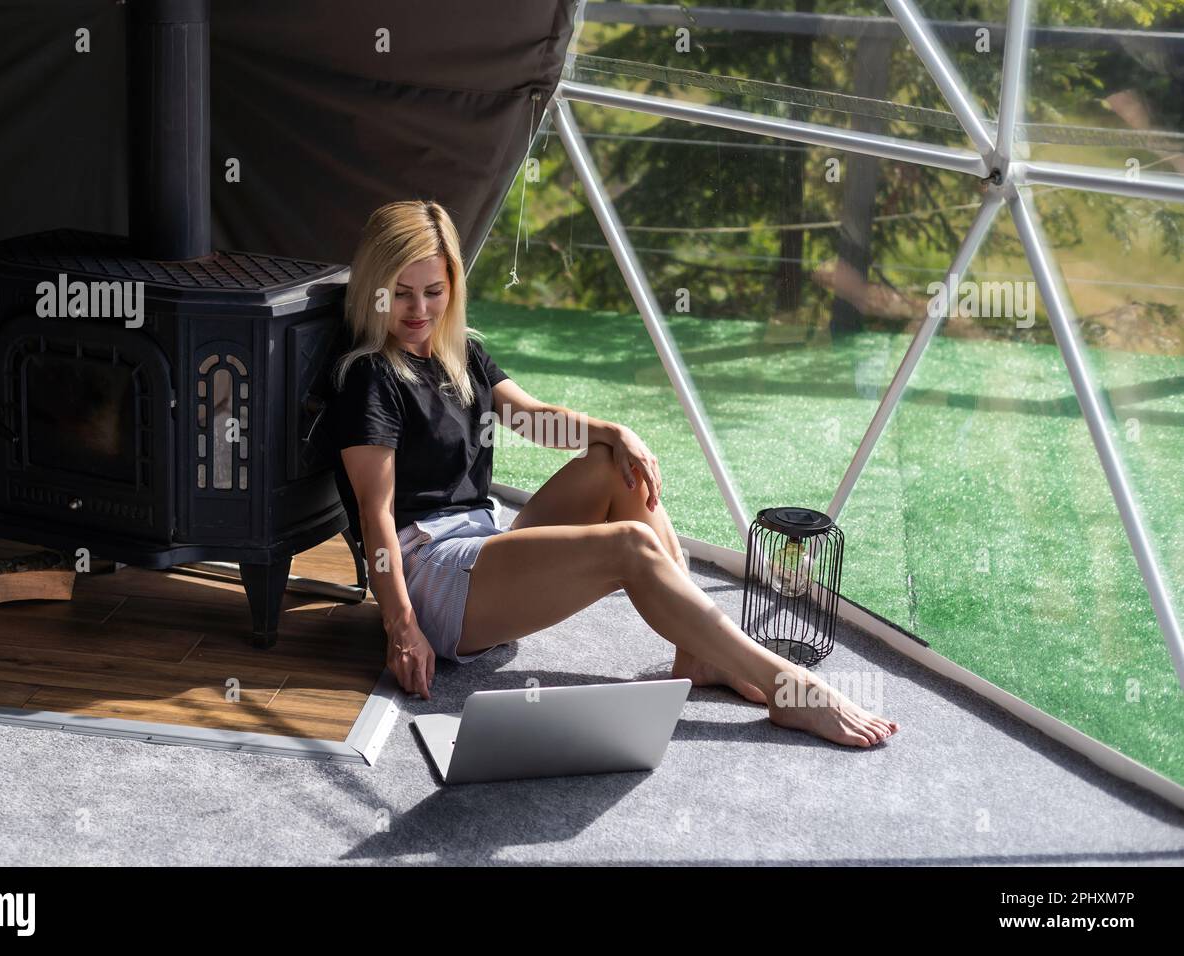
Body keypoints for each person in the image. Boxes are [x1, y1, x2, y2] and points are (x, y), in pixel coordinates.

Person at [333, 199, 898, 748]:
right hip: (431, 577)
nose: (419, 311)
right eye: (401, 294)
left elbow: (534, 419)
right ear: (374, 290)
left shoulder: (459, 354)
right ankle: (789, 686)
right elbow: (375, 514)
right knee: (629, 545)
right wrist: (402, 627)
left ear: (453, 288)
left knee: (613, 467)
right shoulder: (372, 379)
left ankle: (698, 651)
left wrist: (613, 431)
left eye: (434, 292)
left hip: (481, 548)